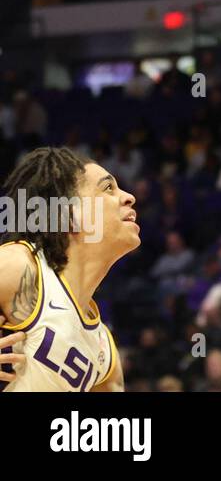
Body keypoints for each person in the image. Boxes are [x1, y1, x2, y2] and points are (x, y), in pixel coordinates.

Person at [0, 147, 140, 391]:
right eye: (108, 188)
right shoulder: (20, 266)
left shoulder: (103, 350)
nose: (129, 197)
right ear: (69, 213)